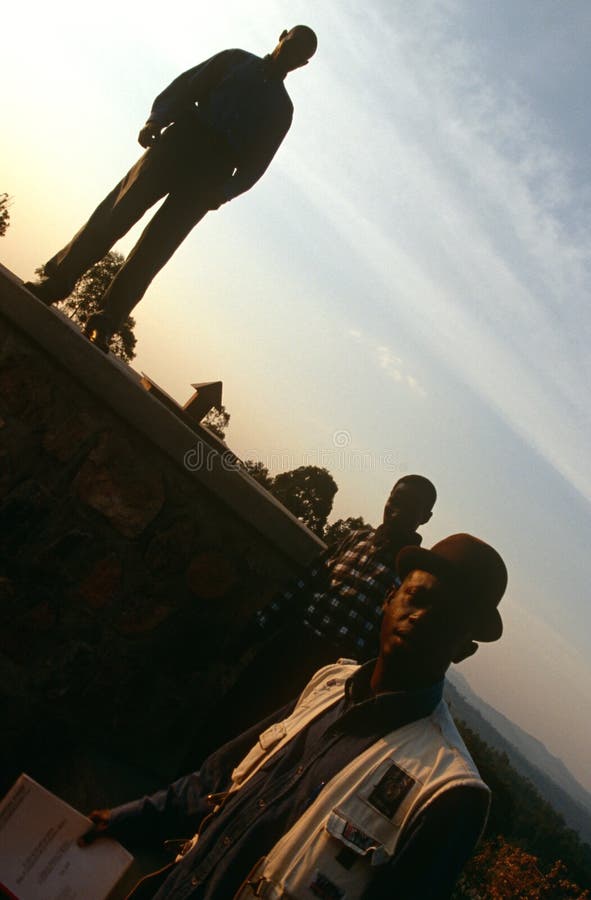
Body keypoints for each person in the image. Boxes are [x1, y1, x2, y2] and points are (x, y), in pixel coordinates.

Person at [82, 532, 508, 899]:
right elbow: (214, 781)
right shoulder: (327, 688)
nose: (422, 619)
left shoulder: (447, 792)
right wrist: (124, 818)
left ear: (464, 650)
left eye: (448, 619)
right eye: (417, 596)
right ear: (388, 599)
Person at [24, 26, 318, 352]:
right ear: (281, 36)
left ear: (301, 65)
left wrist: (224, 192)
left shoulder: (281, 109)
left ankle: (105, 323)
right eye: (290, 45)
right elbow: (187, 86)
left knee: (154, 250)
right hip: (179, 143)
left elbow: (257, 164)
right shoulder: (235, 60)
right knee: (116, 212)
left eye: (298, 55)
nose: (290, 55)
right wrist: (156, 120)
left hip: (211, 174)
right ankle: (56, 282)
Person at [189, 474, 437, 763]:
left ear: (425, 517)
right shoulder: (356, 539)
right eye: (394, 501)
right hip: (290, 646)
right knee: (230, 719)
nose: (396, 511)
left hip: (329, 682)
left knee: (270, 751)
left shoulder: (411, 577)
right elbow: (303, 586)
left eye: (409, 507)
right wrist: (253, 632)